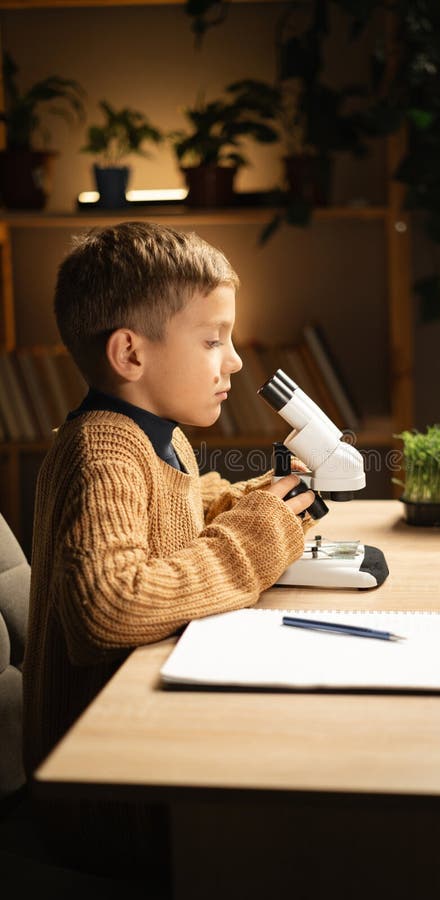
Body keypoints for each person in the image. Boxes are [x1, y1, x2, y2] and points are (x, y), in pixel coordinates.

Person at [22, 221, 314, 880]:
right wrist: (253, 539)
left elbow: (167, 515)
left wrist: (245, 502)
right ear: (130, 354)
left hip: (139, 751)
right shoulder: (101, 449)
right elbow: (111, 606)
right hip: (109, 800)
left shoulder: (161, 438)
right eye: (213, 341)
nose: (234, 361)